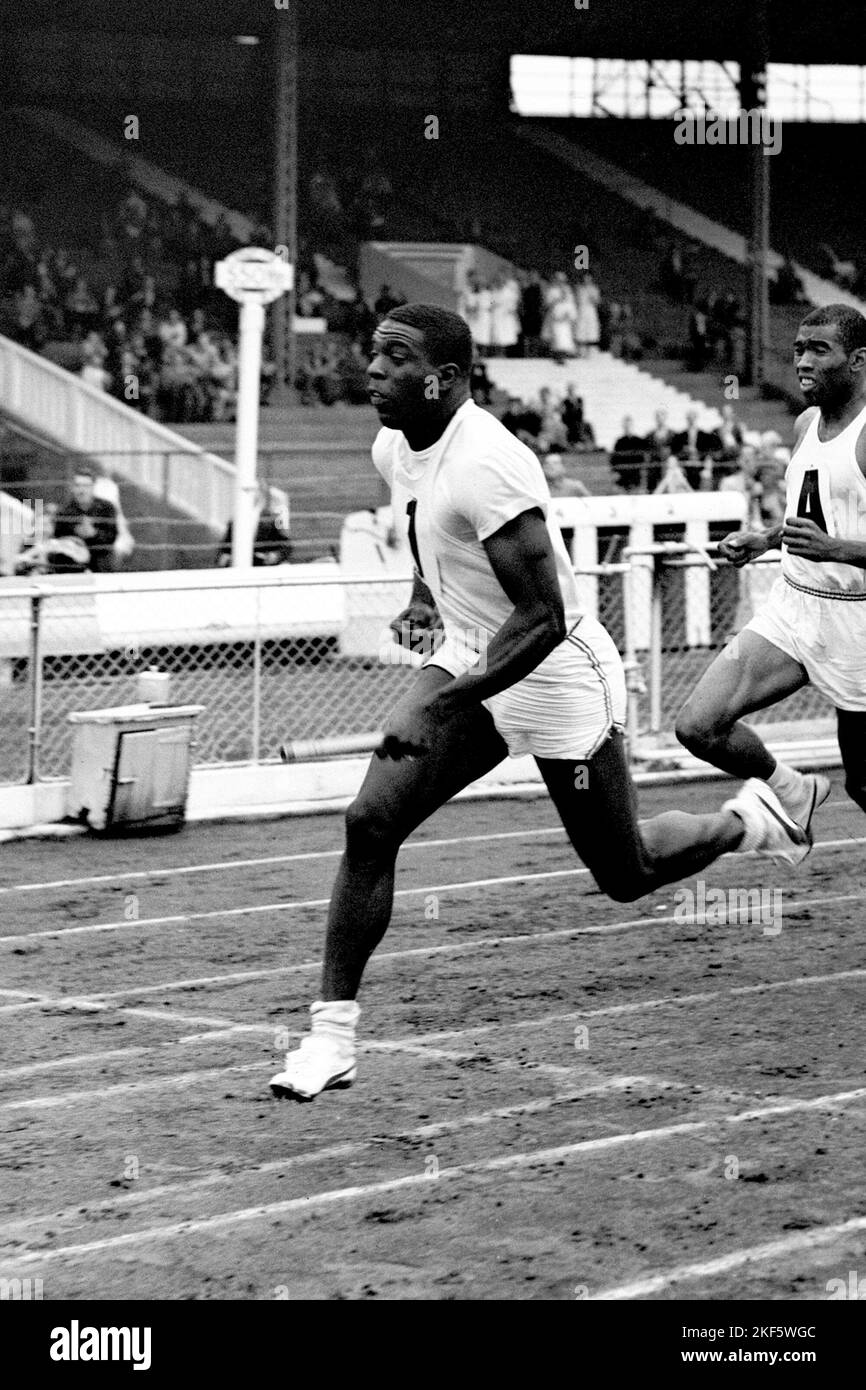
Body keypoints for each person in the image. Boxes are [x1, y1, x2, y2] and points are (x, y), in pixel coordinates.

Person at [269, 302, 808, 1102]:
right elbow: (428, 527)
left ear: (444, 378)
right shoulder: (395, 444)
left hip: (558, 675)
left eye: (394, 357)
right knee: (369, 821)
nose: (373, 370)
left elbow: (545, 618)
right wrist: (424, 599)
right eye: (373, 354)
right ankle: (331, 1038)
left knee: (627, 873)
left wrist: (443, 704)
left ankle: (751, 822)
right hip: (471, 655)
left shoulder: (490, 460)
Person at [676, 304, 866, 842]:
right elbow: (818, 511)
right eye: (800, 348)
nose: (802, 361)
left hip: (858, 623)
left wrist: (837, 549)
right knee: (697, 726)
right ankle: (793, 791)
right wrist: (765, 538)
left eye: (819, 350)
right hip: (795, 606)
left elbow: (832, 536)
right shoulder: (807, 422)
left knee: (864, 786)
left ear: (858, 360)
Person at [53, 467, 118, 572]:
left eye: (86, 486)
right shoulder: (64, 512)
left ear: (93, 487)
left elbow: (112, 537)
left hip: (100, 559)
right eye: (78, 485)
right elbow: (59, 539)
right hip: (72, 563)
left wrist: (94, 534)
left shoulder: (106, 508)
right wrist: (75, 534)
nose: (82, 490)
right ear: (72, 488)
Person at [216, 482, 292, 566]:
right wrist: (223, 558)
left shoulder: (275, 518)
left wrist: (276, 556)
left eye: (253, 491)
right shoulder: (236, 520)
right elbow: (224, 548)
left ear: (260, 495)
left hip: (263, 566)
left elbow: (286, 545)